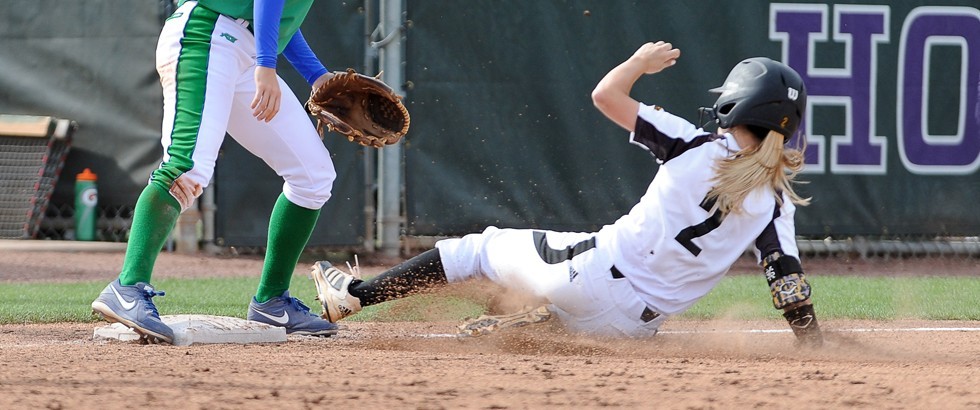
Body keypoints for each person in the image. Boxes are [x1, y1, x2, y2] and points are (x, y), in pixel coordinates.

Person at [311, 41, 823, 345]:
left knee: (479, 249)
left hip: (592, 277)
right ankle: (541, 324)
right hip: (634, 330)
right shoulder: (776, 199)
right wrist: (812, 342)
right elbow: (788, 283)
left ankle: (352, 296)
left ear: (737, 101)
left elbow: (605, 95)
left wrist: (639, 61)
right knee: (556, 291)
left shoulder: (691, 144)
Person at [91, 0, 339, 343]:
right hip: (207, 34)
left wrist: (317, 76)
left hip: (246, 50)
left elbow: (282, 15)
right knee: (186, 168)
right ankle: (127, 287)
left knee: (314, 176)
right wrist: (267, 65)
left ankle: (272, 302)